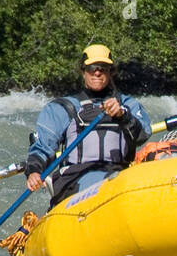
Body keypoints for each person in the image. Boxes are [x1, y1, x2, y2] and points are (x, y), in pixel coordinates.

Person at [25, 44, 151, 207]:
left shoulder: (127, 105)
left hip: (119, 175)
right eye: (92, 68)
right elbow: (43, 147)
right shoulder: (63, 108)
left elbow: (143, 135)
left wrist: (123, 116)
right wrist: (34, 171)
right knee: (100, 183)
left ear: (111, 72)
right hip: (75, 179)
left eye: (103, 68)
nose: (97, 72)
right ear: (83, 71)